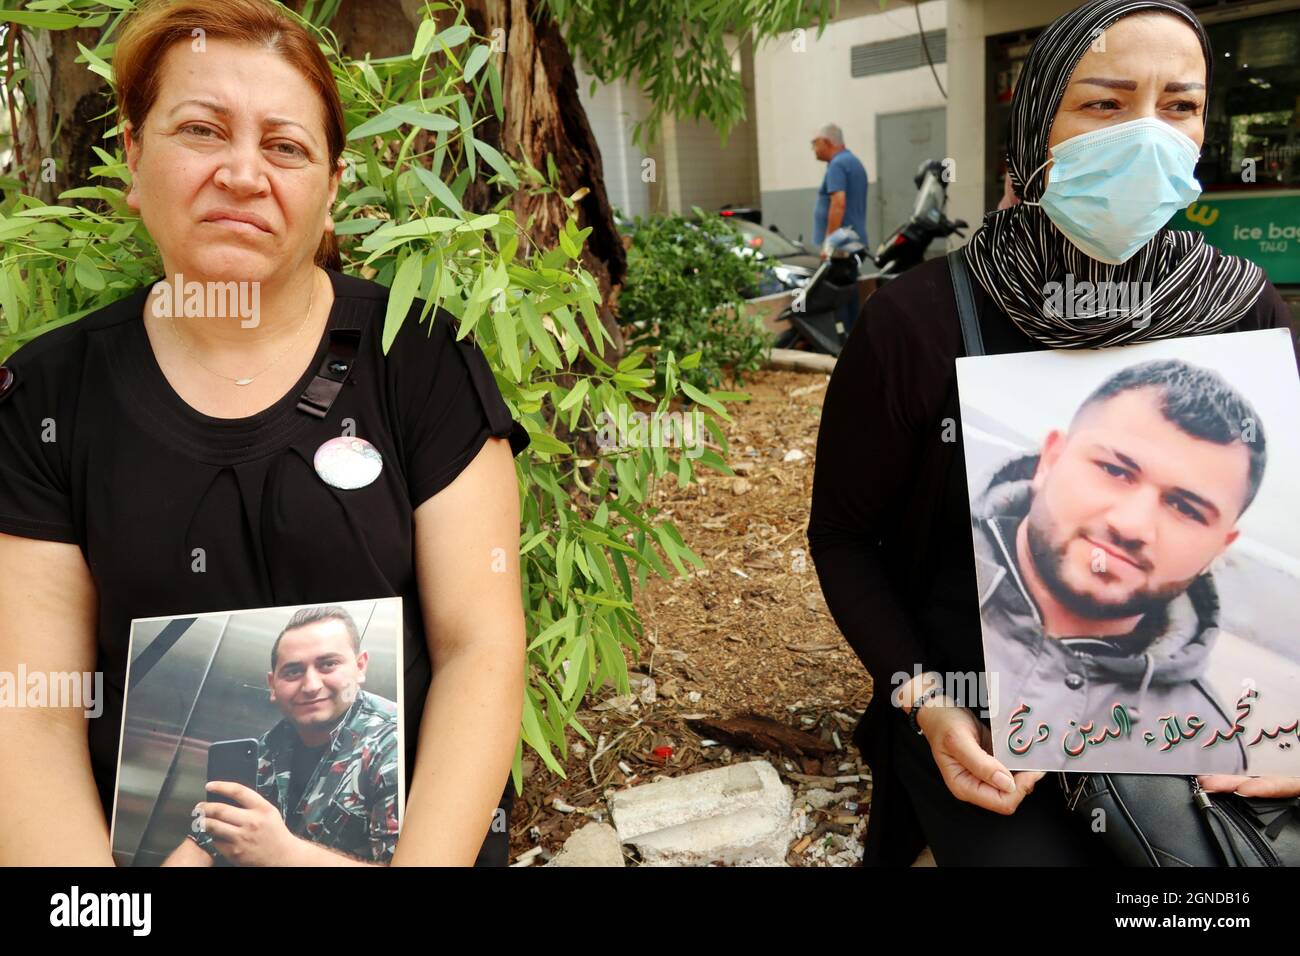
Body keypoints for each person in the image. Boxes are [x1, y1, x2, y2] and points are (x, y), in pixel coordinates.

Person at [0, 0, 527, 867]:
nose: (244, 174)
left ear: (330, 191)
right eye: (202, 130)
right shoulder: (48, 397)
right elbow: (34, 710)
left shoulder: (418, 358)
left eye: (285, 147)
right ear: (133, 157)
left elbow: (482, 646)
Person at [808, 0, 1300, 867]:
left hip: (1211, 722)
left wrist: (1292, 716)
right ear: (1037, 123)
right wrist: (928, 700)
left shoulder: (1244, 311)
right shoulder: (922, 322)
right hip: (992, 726)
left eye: (1180, 106)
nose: (1147, 136)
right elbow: (846, 538)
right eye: (1105, 104)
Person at [976, 359, 1265, 774]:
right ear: (1050, 459)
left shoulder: (1208, 748)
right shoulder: (926, 568)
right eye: (1115, 470)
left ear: (1220, 548)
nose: (1131, 526)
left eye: (1185, 507)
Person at [164, 606, 400, 866]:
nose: (311, 686)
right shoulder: (265, 752)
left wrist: (285, 854)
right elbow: (205, 838)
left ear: (360, 666)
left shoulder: (393, 743)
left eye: (328, 664)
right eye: (293, 671)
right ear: (273, 685)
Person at [810, 123, 868, 250]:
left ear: (826, 142)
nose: (812, 148)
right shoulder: (852, 161)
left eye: (815, 143)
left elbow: (838, 204)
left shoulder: (837, 165)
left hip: (841, 245)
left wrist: (829, 244)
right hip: (852, 239)